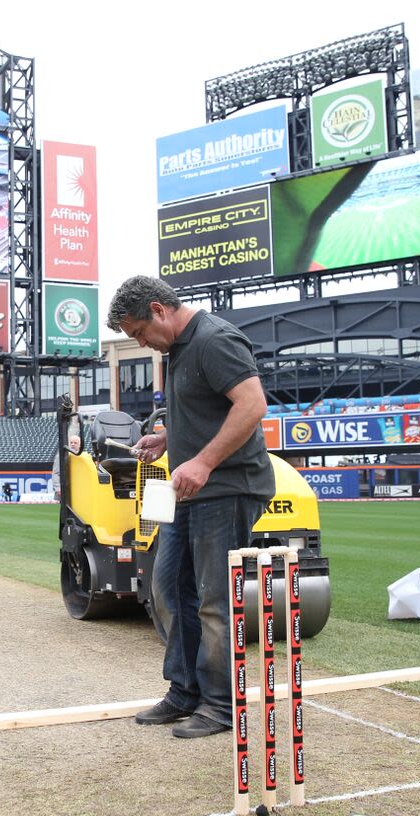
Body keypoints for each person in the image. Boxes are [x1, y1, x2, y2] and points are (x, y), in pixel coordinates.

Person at [107, 275, 274, 738]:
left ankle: (220, 706)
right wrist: (168, 439)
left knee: (215, 602)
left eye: (139, 333)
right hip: (191, 491)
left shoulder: (214, 339)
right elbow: (208, 411)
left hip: (228, 488)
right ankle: (184, 692)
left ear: (159, 310)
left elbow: (252, 404)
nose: (141, 342)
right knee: (169, 587)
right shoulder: (178, 349)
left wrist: (201, 460)